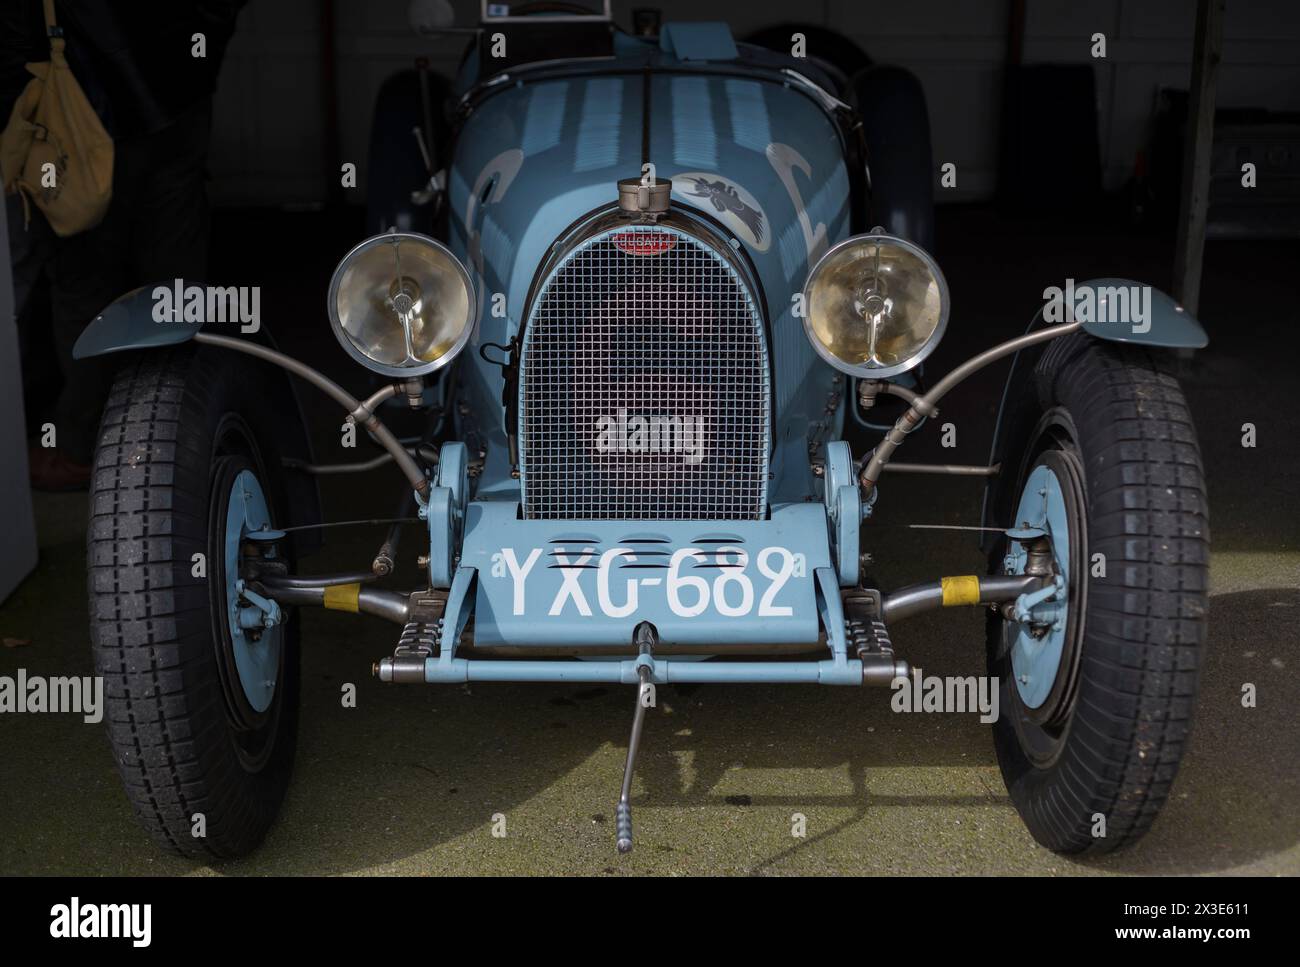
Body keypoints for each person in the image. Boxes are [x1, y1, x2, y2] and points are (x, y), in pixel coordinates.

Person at [1, 0, 246, 490]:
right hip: (176, 95)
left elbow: (14, 34)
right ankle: (184, 430)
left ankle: (79, 447)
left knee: (85, 279)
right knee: (174, 271)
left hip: (86, 102)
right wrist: (200, 59)